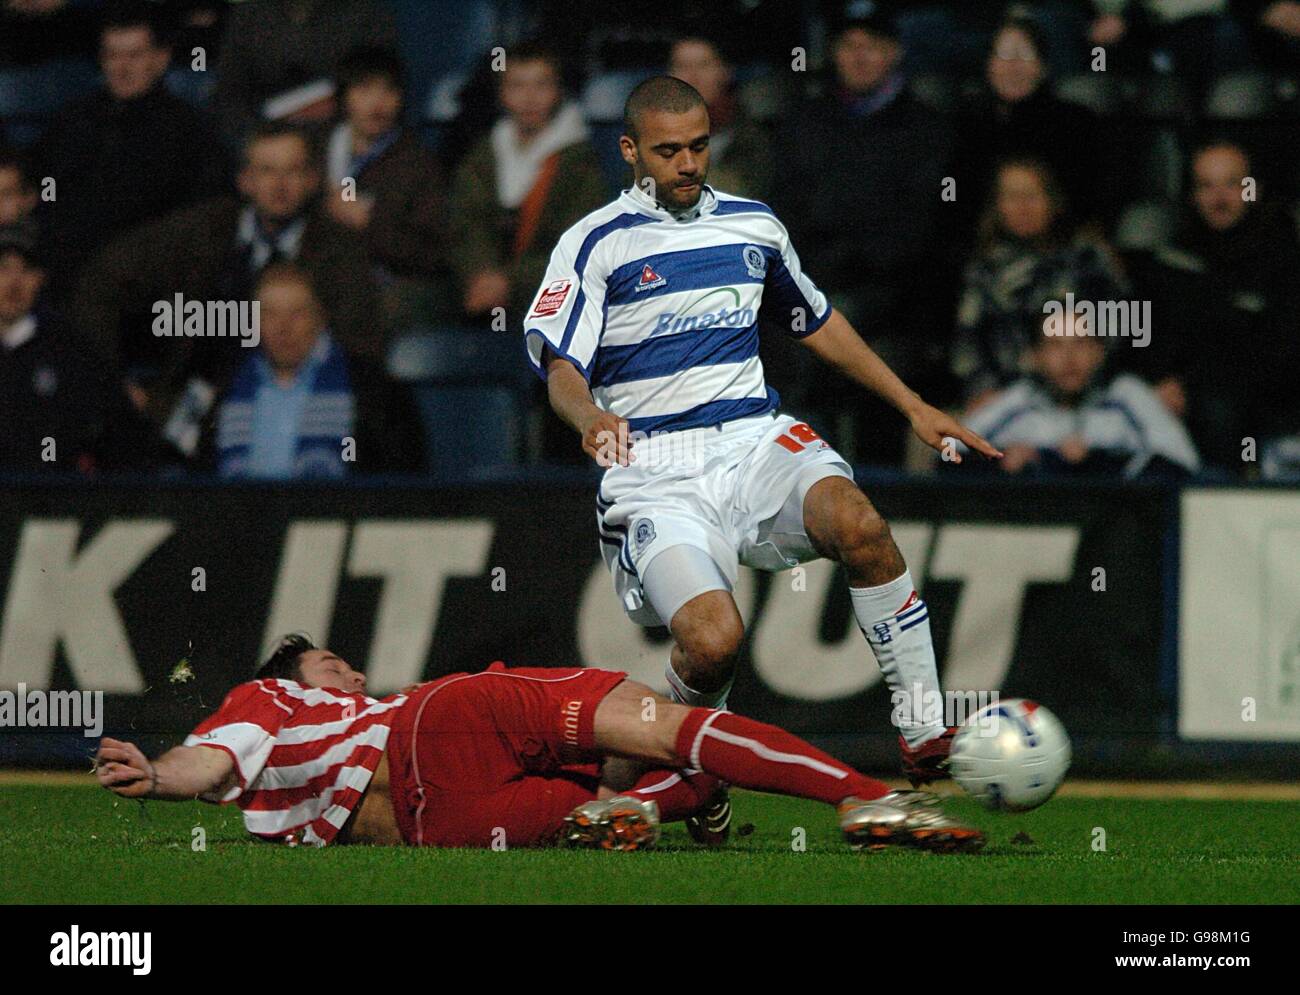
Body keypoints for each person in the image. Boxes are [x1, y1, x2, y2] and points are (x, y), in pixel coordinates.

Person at [523, 74, 1002, 838]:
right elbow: (560, 368)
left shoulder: (754, 225)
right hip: (655, 467)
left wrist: (912, 404)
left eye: (699, 146)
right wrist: (589, 417)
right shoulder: (594, 242)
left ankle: (921, 730)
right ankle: (652, 779)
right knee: (712, 641)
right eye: (668, 150)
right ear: (629, 150)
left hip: (752, 439)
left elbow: (816, 321)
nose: (687, 163)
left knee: (862, 524)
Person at [93, 633, 985, 853]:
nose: (346, 672)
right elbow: (210, 755)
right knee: (669, 743)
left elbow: (210, 769)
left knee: (620, 784)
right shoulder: (270, 692)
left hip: (438, 806)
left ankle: (689, 797)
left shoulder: (272, 773)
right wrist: (159, 774)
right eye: (330, 662)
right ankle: (836, 793)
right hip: (439, 753)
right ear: (300, 674)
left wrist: (165, 781)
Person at [71, 121, 383, 434]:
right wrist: (112, 381)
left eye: (293, 171)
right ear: (245, 181)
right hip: (191, 413)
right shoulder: (201, 231)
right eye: (267, 171)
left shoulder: (341, 251)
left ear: (313, 180)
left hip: (298, 411)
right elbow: (102, 279)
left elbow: (358, 348)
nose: (280, 184)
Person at [773, 10, 953, 462]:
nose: (860, 57)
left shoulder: (926, 128)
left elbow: (919, 227)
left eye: (871, 46)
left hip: (894, 292)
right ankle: (801, 477)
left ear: (893, 53)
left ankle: (876, 486)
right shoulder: (805, 122)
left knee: (832, 331)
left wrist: (849, 258)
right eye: (849, 46)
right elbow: (784, 213)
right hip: (811, 278)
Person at [34, 0, 229, 299]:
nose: (121, 68)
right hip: (65, 267)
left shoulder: (188, 130)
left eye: (134, 55)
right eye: (112, 56)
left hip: (148, 280)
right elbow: (45, 187)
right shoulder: (72, 120)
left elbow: (198, 218)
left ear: (161, 59)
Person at [1128, 139, 1300, 470]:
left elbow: (1283, 355)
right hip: (1175, 405)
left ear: (1254, 190)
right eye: (1206, 186)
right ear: (1192, 195)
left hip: (1262, 411)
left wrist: (1195, 382)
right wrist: (1157, 380)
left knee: (1222, 410)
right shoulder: (1168, 261)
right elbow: (1141, 337)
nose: (1219, 198)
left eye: (1232, 184)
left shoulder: (1284, 262)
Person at [194, 264, 423, 478]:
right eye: (270, 314)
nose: (283, 327)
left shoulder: (370, 387)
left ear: (320, 318)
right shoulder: (224, 385)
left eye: (297, 313)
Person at [949, 298, 1201, 479]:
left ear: (1098, 352)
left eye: (1080, 343)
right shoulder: (1018, 401)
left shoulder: (1127, 395)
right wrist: (999, 463)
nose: (1069, 359)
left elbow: (1185, 467)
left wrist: (1097, 463)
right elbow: (947, 456)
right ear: (1035, 356)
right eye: (1056, 346)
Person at [448, 40, 606, 323]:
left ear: (558, 91)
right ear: (502, 94)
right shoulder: (483, 156)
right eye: (517, 86)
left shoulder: (580, 162)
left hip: (552, 298)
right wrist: (481, 274)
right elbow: (466, 226)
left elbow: (578, 243)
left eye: (541, 85)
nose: (529, 97)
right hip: (480, 291)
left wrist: (509, 282)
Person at [952, 157, 1127, 407]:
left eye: (1032, 195)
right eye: (1012, 197)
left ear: (1053, 201)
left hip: (1091, 394)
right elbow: (966, 345)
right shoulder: (984, 270)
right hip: (1009, 398)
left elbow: (1122, 328)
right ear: (997, 206)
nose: (1022, 206)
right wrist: (980, 389)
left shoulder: (1089, 259)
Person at [323, 45, 455, 327]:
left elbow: (435, 256)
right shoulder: (317, 153)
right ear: (344, 97)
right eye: (364, 90)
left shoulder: (420, 166)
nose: (377, 103)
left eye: (388, 91)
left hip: (386, 290)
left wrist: (368, 224)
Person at [0, 223, 107, 474]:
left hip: (51, 498)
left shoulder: (70, 349)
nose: (14, 282)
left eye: (26, 270)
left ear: (40, 279)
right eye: (3, 268)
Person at [667, 35, 772, 202]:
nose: (693, 77)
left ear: (725, 71)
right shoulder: (652, 139)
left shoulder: (754, 137)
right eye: (683, 66)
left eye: (704, 65)